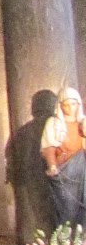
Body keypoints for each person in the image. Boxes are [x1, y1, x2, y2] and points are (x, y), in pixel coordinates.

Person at [40, 87, 86, 228]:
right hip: (64, 171)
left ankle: (82, 242)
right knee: (67, 208)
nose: (70, 108)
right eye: (67, 104)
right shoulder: (54, 124)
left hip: (82, 170)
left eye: (74, 104)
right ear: (60, 105)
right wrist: (52, 165)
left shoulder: (83, 123)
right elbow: (48, 148)